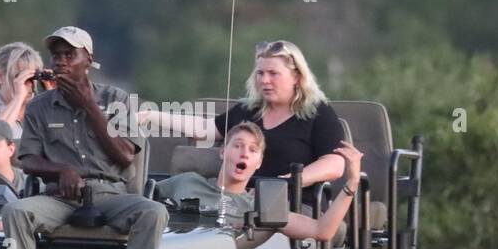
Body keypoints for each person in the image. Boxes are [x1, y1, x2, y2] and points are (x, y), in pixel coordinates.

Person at [0, 26, 168, 249]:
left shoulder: (116, 100)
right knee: (14, 211)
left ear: (87, 60)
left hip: (111, 194)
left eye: (70, 55)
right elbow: (28, 159)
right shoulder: (40, 107)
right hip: (61, 197)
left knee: (153, 212)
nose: (62, 62)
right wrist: (60, 169)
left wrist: (89, 106)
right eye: (56, 55)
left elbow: (124, 155)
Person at [139, 39, 345, 209]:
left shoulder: (318, 113)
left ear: (297, 77)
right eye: (260, 73)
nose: (264, 80)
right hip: (240, 204)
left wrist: (286, 182)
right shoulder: (249, 110)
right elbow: (208, 129)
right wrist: (153, 116)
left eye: (273, 74)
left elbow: (335, 164)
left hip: (294, 205)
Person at [156, 122, 364, 244]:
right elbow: (142, 204)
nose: (244, 153)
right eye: (237, 146)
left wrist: (352, 183)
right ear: (223, 152)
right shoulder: (185, 182)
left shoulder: (262, 206)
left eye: (253, 150)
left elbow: (321, 230)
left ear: (259, 162)